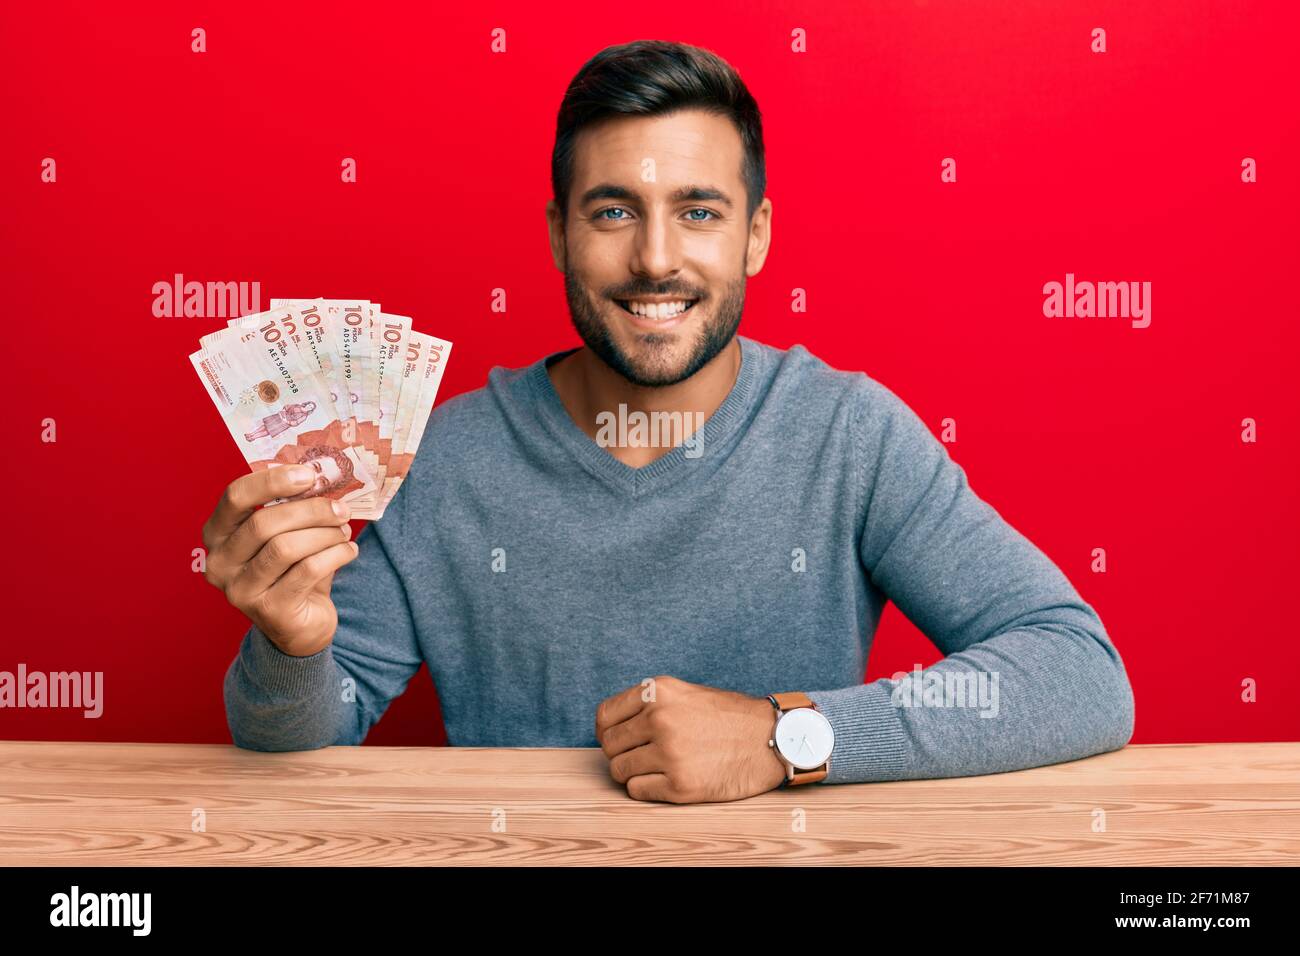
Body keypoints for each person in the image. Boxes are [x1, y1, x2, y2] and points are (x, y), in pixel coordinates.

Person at [203, 40, 1134, 804]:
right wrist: (292, 647)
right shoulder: (448, 456)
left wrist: (786, 735)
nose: (656, 259)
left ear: (755, 236)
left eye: (698, 211)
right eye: (613, 211)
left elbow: (1080, 675)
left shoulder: (850, 435)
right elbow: (298, 741)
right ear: (558, 232)